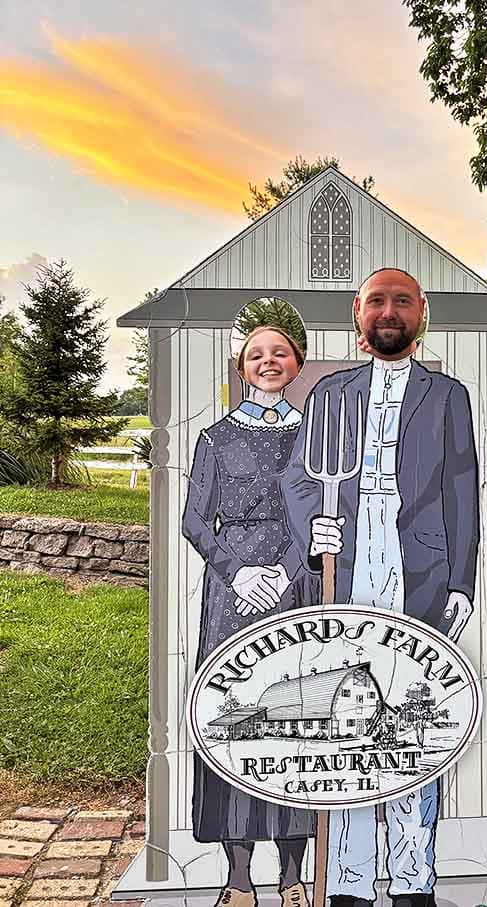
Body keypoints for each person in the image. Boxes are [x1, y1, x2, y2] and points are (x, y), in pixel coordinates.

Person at [279, 268, 480, 907]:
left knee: (412, 723)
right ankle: (351, 884)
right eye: (376, 301)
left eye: (401, 301)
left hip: (417, 567)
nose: (387, 311)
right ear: (356, 313)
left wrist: (461, 581)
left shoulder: (447, 396)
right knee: (348, 718)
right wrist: (316, 530)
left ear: (421, 313)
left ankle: (414, 881)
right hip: (349, 558)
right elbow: (299, 480)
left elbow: (462, 492)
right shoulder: (330, 395)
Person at [182, 324, 318, 907]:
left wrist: (287, 572)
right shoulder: (214, 440)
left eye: (279, 353)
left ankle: (292, 876)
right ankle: (238, 879)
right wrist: (238, 572)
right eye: (256, 354)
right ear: (242, 367)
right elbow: (194, 521)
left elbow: (322, 510)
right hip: (232, 595)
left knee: (301, 719)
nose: (268, 361)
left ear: (296, 363)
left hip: (298, 586)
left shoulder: (316, 439)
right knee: (235, 720)